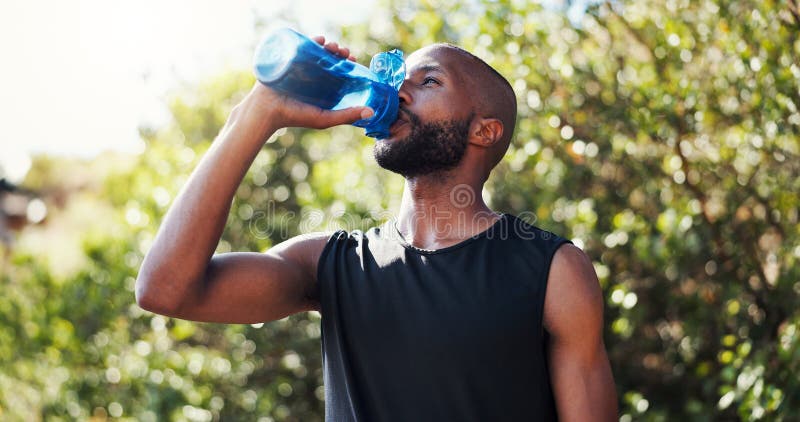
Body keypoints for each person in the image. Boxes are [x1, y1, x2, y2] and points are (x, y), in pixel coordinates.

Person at [136, 34, 618, 421]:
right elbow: (165, 289)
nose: (397, 91)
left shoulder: (551, 270)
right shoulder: (330, 264)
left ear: (483, 130)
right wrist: (259, 113)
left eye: (428, 81)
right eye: (398, 78)